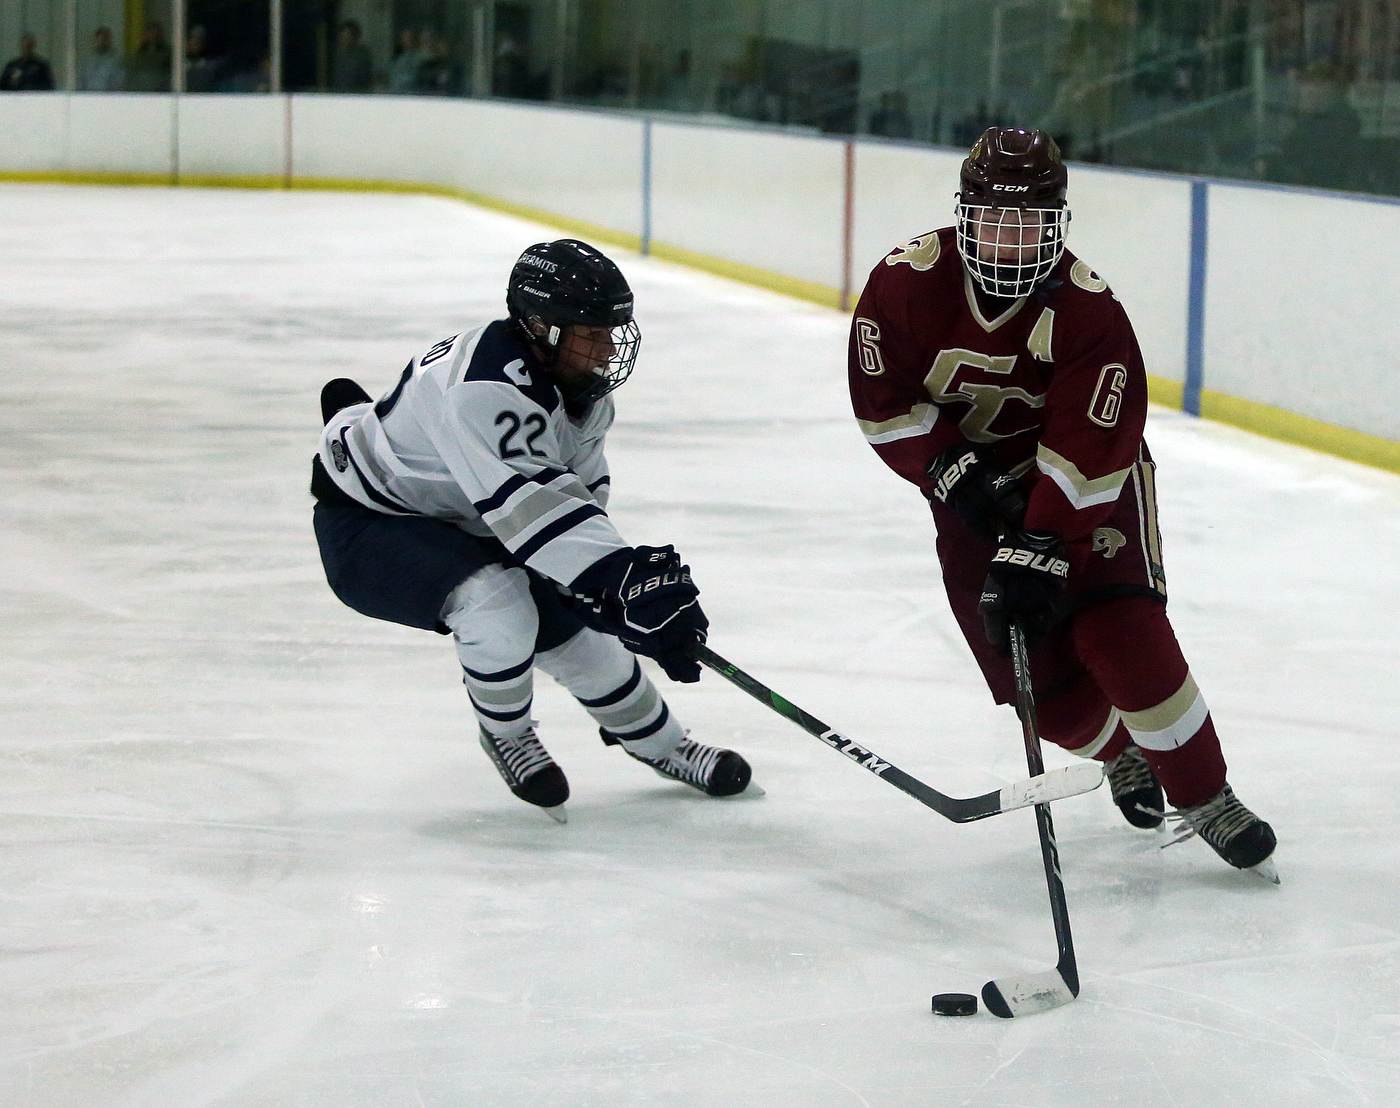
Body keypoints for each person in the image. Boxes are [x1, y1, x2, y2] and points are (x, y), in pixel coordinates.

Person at [846, 127, 1277, 878]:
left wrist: (1043, 543)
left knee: (1120, 629)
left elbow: (1091, 446)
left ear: (1059, 226)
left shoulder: (1088, 311)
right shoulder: (905, 282)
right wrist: (948, 470)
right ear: (966, 216)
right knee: (1029, 675)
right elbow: (883, 400)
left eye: (1031, 226)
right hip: (971, 495)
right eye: (996, 222)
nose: (1011, 243)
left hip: (1089, 489)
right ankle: (1121, 753)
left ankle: (1207, 797)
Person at [311, 239, 753, 821]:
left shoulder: (582, 395)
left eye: (610, 332)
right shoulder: (484, 389)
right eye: (588, 333)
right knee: (498, 604)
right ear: (539, 325)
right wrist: (615, 575)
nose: (604, 349)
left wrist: (608, 588)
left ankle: (665, 746)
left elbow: (575, 492)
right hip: (371, 519)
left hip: (467, 509)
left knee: (589, 644)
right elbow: (529, 506)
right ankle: (507, 733)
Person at [123, 21, 170, 92]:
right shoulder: (138, 54)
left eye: (156, 33)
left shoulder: (168, 54)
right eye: (150, 33)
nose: (153, 36)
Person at [332, 20, 373, 93]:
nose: (344, 38)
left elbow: (365, 78)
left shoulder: (361, 55)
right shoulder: (333, 54)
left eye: (347, 35)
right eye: (342, 35)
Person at [80, 26, 124, 91]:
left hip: (108, 97)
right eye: (101, 38)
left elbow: (119, 83)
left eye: (106, 38)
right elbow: (81, 80)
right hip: (88, 96)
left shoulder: (117, 60)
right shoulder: (88, 60)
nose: (103, 41)